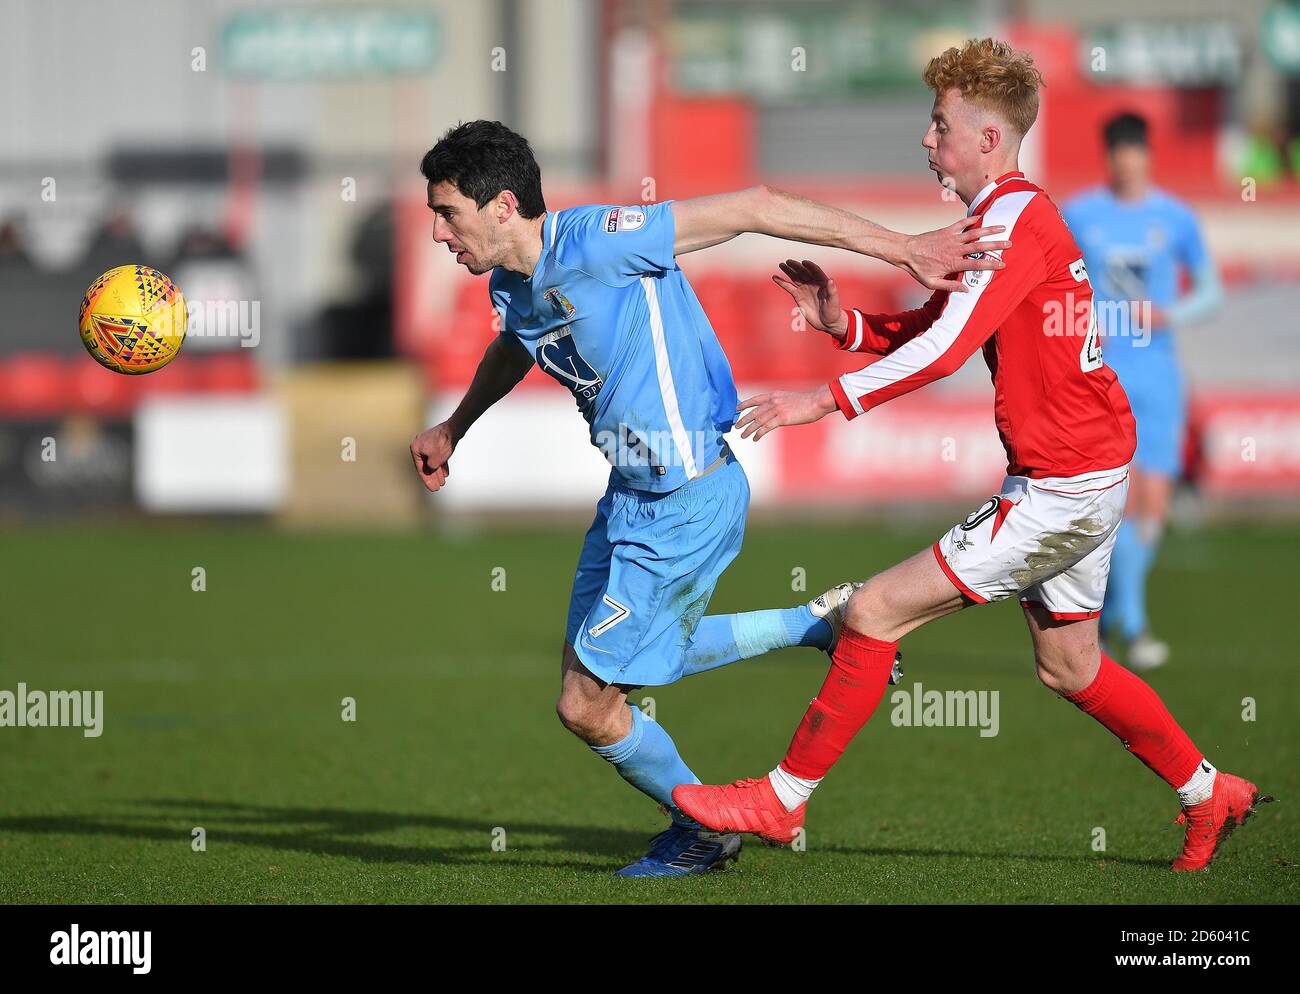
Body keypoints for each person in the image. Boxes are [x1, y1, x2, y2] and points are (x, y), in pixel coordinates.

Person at [673, 39, 1267, 873]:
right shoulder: (999, 220)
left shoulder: (1017, 217)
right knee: (1071, 666)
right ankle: (1211, 794)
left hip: (1065, 484)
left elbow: (949, 350)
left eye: (940, 123)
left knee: (875, 609)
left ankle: (780, 801)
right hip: (1079, 472)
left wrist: (820, 400)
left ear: (989, 139)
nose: (926, 139)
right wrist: (843, 325)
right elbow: (934, 328)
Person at [409, 119, 1007, 877]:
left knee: (588, 703)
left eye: (446, 212)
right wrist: (456, 425)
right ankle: (811, 628)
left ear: (500, 206)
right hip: (630, 496)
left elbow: (754, 205)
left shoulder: (601, 239)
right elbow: (516, 343)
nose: (437, 232)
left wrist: (904, 249)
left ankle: (705, 826)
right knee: (590, 685)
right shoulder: (508, 283)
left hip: (687, 499)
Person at [1062, 113, 1222, 671]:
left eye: (1135, 150)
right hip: (1104, 372)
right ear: (1108, 156)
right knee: (1118, 498)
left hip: (1159, 375)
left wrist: (1169, 313)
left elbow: (1210, 289)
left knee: (1154, 502)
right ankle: (1136, 624)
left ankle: (1110, 617)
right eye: (1118, 151)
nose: (1127, 160)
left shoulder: (1175, 217)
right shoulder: (1081, 213)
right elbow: (1059, 282)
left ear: (1148, 155)